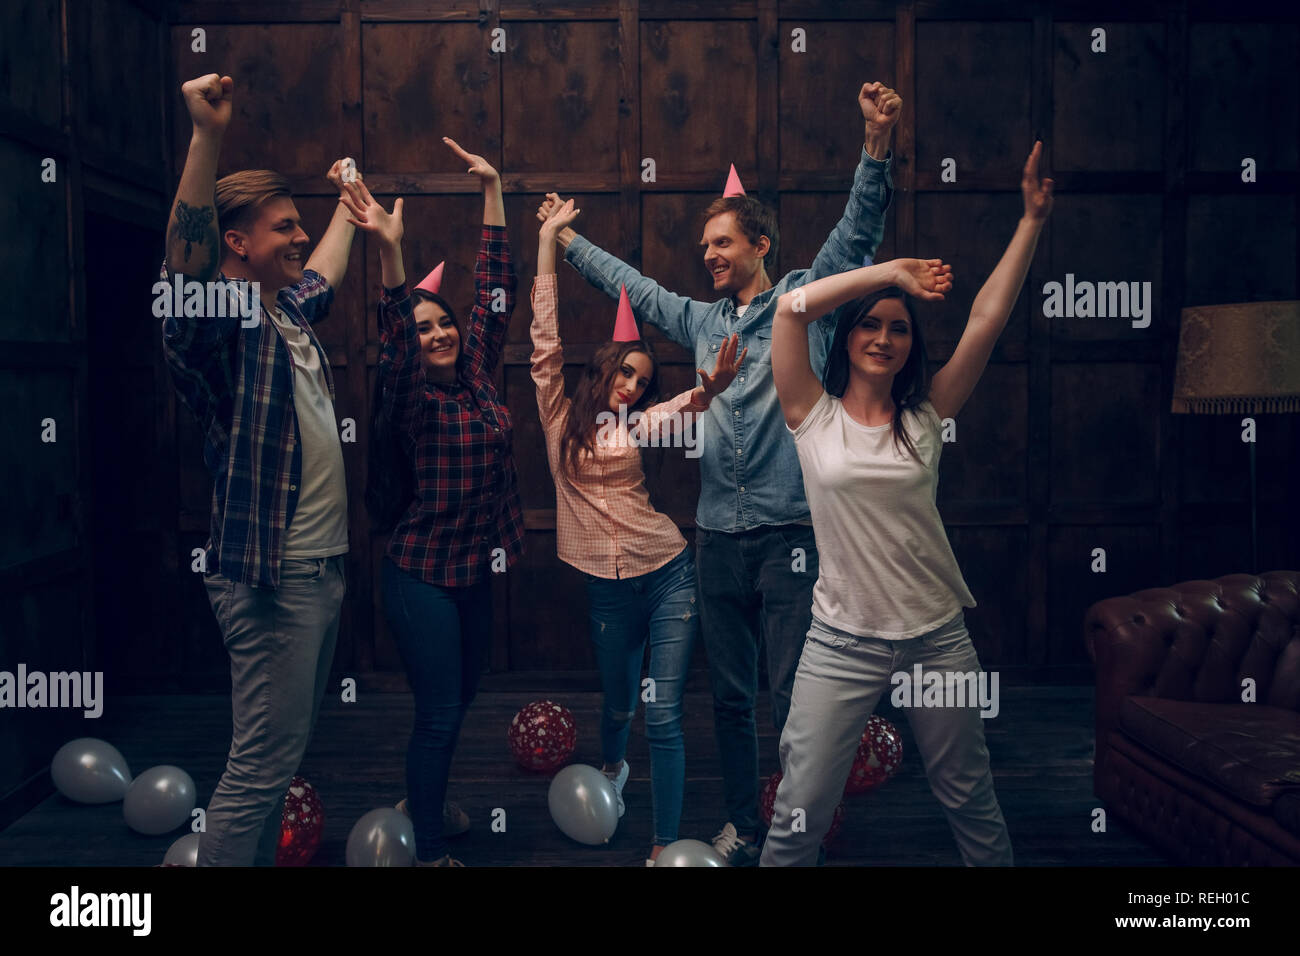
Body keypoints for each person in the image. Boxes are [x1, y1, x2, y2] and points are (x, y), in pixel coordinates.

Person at [537, 81, 902, 864]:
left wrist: (875, 144)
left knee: (793, 698)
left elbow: (856, 237)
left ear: (759, 245)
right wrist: (567, 242)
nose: (708, 255)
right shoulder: (700, 321)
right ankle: (744, 823)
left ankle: (799, 833)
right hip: (716, 540)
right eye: (705, 245)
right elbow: (636, 288)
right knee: (731, 699)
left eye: (722, 243)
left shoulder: (802, 302)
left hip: (790, 534)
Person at [760, 142, 1055, 867]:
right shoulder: (810, 414)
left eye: (898, 327)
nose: (884, 338)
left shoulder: (926, 416)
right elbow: (790, 310)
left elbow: (986, 320)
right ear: (848, 337)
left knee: (969, 796)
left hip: (935, 635)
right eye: (870, 324)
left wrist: (1030, 222)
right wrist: (890, 272)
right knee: (800, 812)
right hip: (840, 640)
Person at [160, 74, 360, 866]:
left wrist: (347, 207)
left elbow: (324, 276)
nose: (299, 238)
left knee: (279, 762)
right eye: (284, 227)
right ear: (236, 243)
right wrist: (207, 136)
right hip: (274, 579)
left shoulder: (284, 311)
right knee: (259, 769)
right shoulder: (223, 318)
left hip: (317, 571)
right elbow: (183, 282)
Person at [530, 199, 746, 865]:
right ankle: (613, 768)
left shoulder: (637, 426)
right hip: (606, 589)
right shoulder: (559, 416)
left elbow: (679, 409)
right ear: (604, 367)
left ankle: (661, 845)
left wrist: (707, 393)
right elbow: (544, 344)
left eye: (643, 380)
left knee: (664, 714)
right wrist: (548, 243)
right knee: (621, 706)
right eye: (625, 371)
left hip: (668, 574)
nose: (632, 386)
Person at [344, 138, 524, 867]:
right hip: (420, 576)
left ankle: (420, 801)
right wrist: (391, 251)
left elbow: (496, 294)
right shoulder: (412, 399)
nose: (440, 333)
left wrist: (493, 190)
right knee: (440, 712)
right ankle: (424, 847)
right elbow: (393, 335)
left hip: (471, 572)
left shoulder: (475, 374)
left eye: (443, 322)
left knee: (456, 703)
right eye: (425, 330)